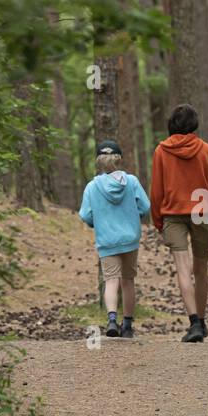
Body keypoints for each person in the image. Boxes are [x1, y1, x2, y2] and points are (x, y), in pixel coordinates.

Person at [149, 104, 208, 343]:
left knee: (183, 269)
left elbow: (156, 190)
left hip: (172, 214)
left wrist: (158, 221)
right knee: (201, 270)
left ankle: (194, 323)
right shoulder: (207, 151)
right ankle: (201, 319)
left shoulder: (161, 151)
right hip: (201, 212)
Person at [78, 140, 150, 338]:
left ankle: (111, 320)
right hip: (129, 239)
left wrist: (97, 222)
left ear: (99, 161)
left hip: (107, 240)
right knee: (128, 281)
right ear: (119, 159)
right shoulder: (132, 182)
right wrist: (134, 216)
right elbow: (145, 207)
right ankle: (127, 325)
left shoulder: (92, 187)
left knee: (111, 281)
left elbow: (85, 215)